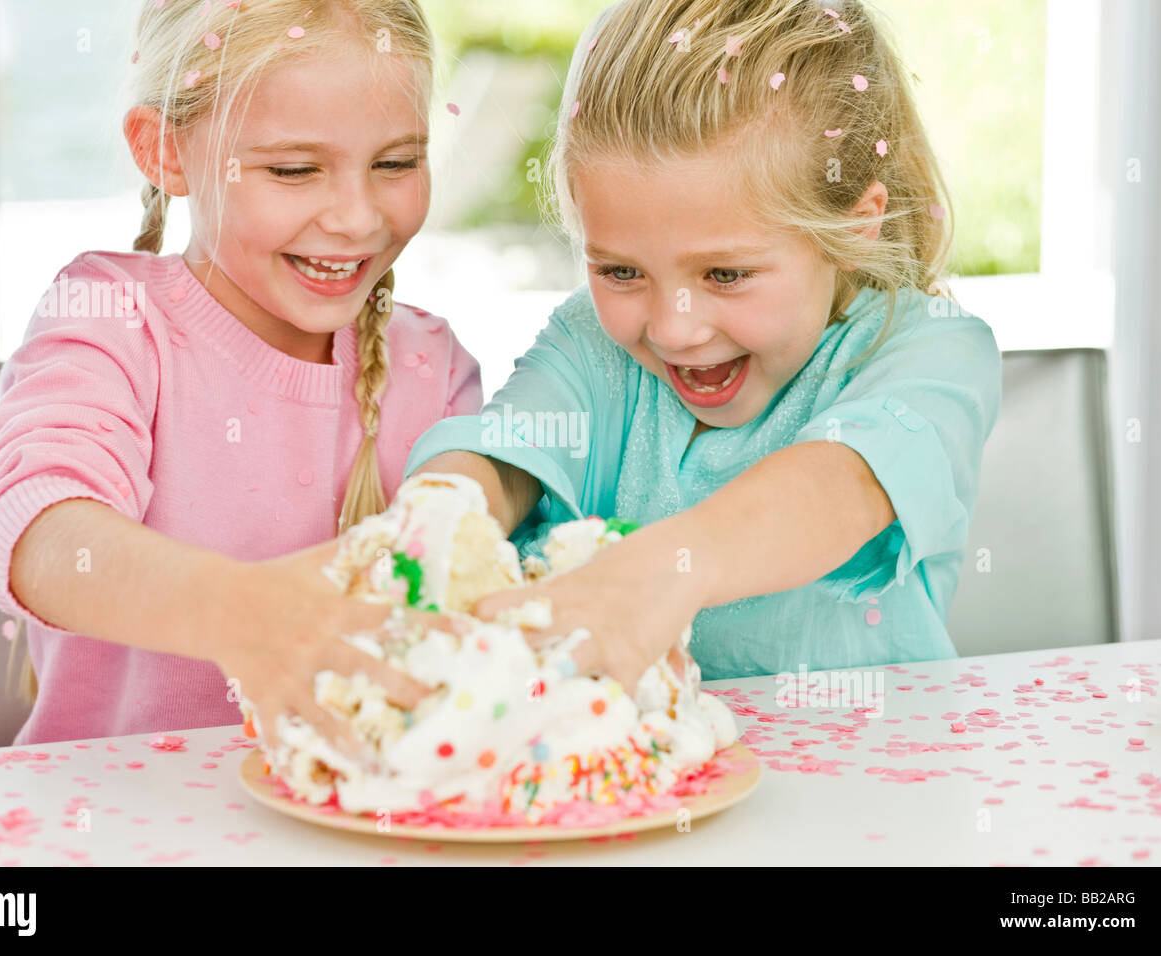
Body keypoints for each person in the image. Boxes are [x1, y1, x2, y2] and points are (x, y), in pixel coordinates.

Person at [407, 0, 1003, 690]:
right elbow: (503, 451)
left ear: (855, 224)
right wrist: (435, 520)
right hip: (639, 792)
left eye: (726, 275)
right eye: (620, 271)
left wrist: (657, 574)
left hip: (872, 786)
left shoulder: (928, 353)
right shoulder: (595, 347)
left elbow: (842, 486)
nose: (672, 329)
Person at [0, 0, 477, 755]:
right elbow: (40, 528)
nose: (355, 216)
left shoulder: (431, 368)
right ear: (165, 150)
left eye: (396, 163)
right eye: (295, 169)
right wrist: (242, 612)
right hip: (113, 820)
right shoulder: (110, 317)